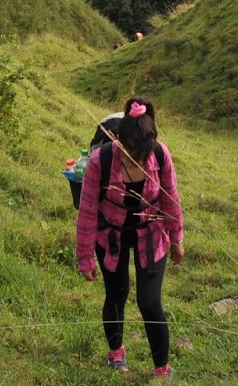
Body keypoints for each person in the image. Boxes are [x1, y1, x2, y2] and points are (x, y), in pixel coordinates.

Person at [76, 97, 184, 377]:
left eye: (141, 155)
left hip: (152, 235)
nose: (135, 160)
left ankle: (162, 368)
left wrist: (177, 240)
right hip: (111, 236)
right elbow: (87, 211)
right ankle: (116, 353)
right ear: (119, 141)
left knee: (150, 302)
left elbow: (171, 200)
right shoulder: (101, 161)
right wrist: (85, 258)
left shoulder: (160, 155)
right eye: (129, 153)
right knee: (116, 293)